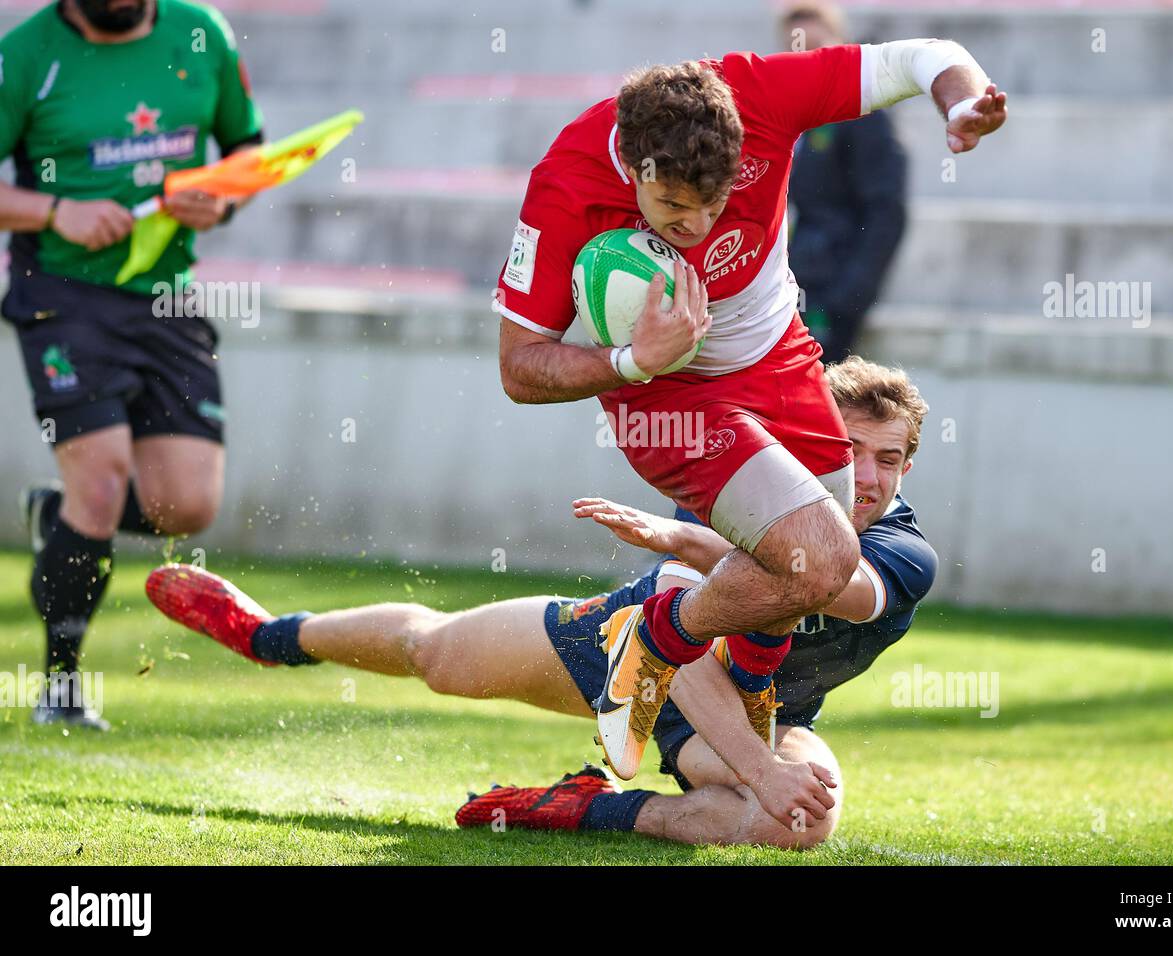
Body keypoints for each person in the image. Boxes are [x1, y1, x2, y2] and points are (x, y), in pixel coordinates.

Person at [146, 358, 937, 847]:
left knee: (799, 821)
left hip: (759, 712)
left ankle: (583, 807)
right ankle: (268, 635)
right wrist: (760, 770)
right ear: (804, 441)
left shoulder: (906, 555)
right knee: (438, 655)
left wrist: (767, 772)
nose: (863, 477)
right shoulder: (753, 496)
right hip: (631, 649)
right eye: (845, 450)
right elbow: (679, 651)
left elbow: (839, 585)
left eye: (888, 459)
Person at [492, 37, 1002, 778]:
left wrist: (960, 99)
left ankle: (748, 671)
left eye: (717, 202)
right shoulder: (566, 181)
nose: (698, 228)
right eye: (673, 207)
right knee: (825, 554)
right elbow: (519, 367)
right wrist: (635, 361)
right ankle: (661, 638)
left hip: (781, 360)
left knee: (810, 573)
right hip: (667, 394)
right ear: (635, 169)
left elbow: (922, 55)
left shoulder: (760, 94)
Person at [0, 0, 263, 729]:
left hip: (168, 299)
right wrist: (55, 210)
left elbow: (249, 151)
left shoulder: (201, 32)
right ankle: (61, 688)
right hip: (62, 296)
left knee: (187, 508)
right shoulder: (24, 56)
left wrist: (224, 200)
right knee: (103, 478)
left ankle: (57, 516)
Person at [782, 2, 908, 363]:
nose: (807, 59)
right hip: (798, 285)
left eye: (817, 50)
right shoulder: (796, 118)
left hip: (833, 291)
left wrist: (849, 297)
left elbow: (887, 209)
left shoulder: (864, 114)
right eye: (797, 52)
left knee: (832, 402)